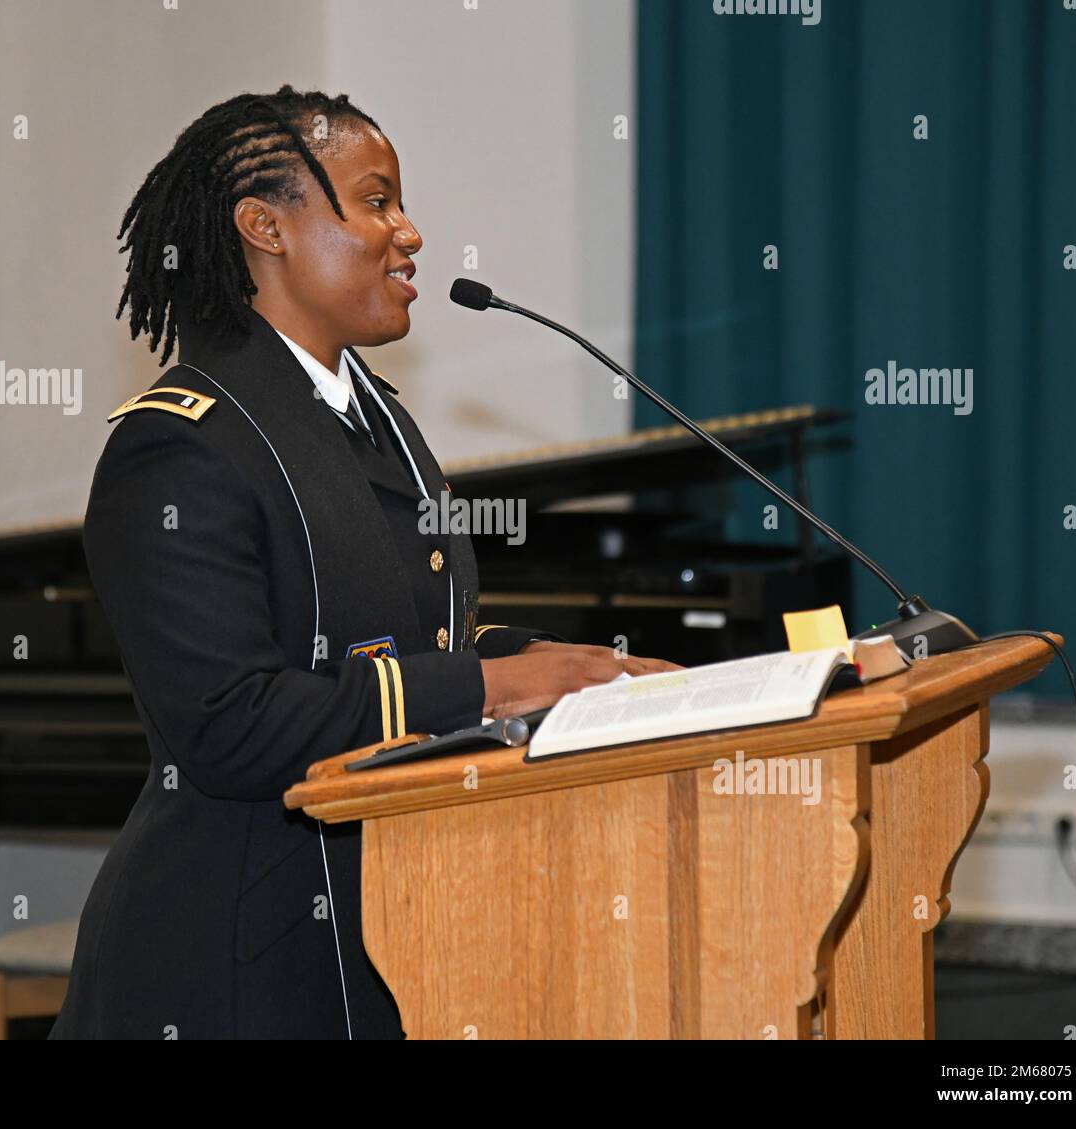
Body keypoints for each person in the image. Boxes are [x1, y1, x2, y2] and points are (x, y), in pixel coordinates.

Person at [49, 85, 678, 1040]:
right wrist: (496, 684)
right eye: (376, 200)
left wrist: (584, 673)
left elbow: (425, 639)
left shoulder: (373, 416)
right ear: (266, 226)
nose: (411, 232)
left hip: (388, 931)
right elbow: (230, 725)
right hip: (234, 964)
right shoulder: (182, 446)